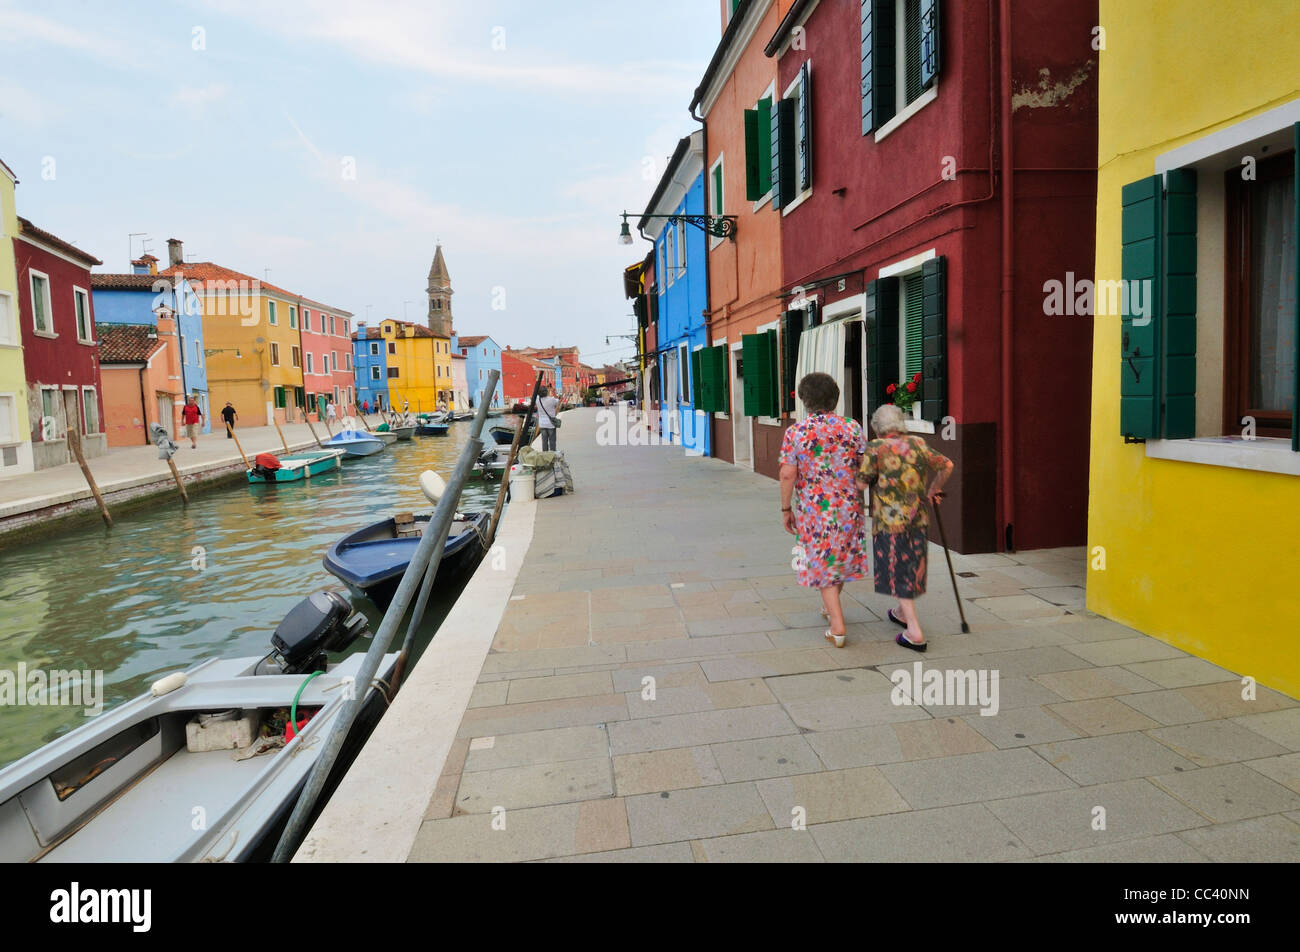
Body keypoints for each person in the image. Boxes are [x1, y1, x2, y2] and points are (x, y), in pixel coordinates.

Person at [778, 373, 870, 648]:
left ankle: (837, 626)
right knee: (838, 558)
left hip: (815, 509)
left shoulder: (797, 433)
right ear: (835, 398)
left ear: (805, 400)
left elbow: (787, 474)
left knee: (822, 562)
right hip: (849, 506)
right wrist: (859, 485)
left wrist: (785, 508)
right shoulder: (852, 427)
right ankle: (831, 606)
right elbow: (866, 463)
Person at [856, 403, 954, 652]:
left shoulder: (876, 448)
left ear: (877, 427)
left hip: (889, 523)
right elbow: (947, 465)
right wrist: (933, 489)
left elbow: (861, 484)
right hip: (918, 519)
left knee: (898, 571)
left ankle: (914, 630)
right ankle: (901, 612)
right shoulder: (919, 444)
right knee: (911, 567)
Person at [536, 386, 560, 452]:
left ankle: (545, 456)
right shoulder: (551, 399)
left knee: (544, 442)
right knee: (552, 441)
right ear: (546, 392)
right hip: (550, 424)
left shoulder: (537, 400)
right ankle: (552, 456)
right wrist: (553, 392)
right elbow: (558, 400)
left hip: (542, 424)